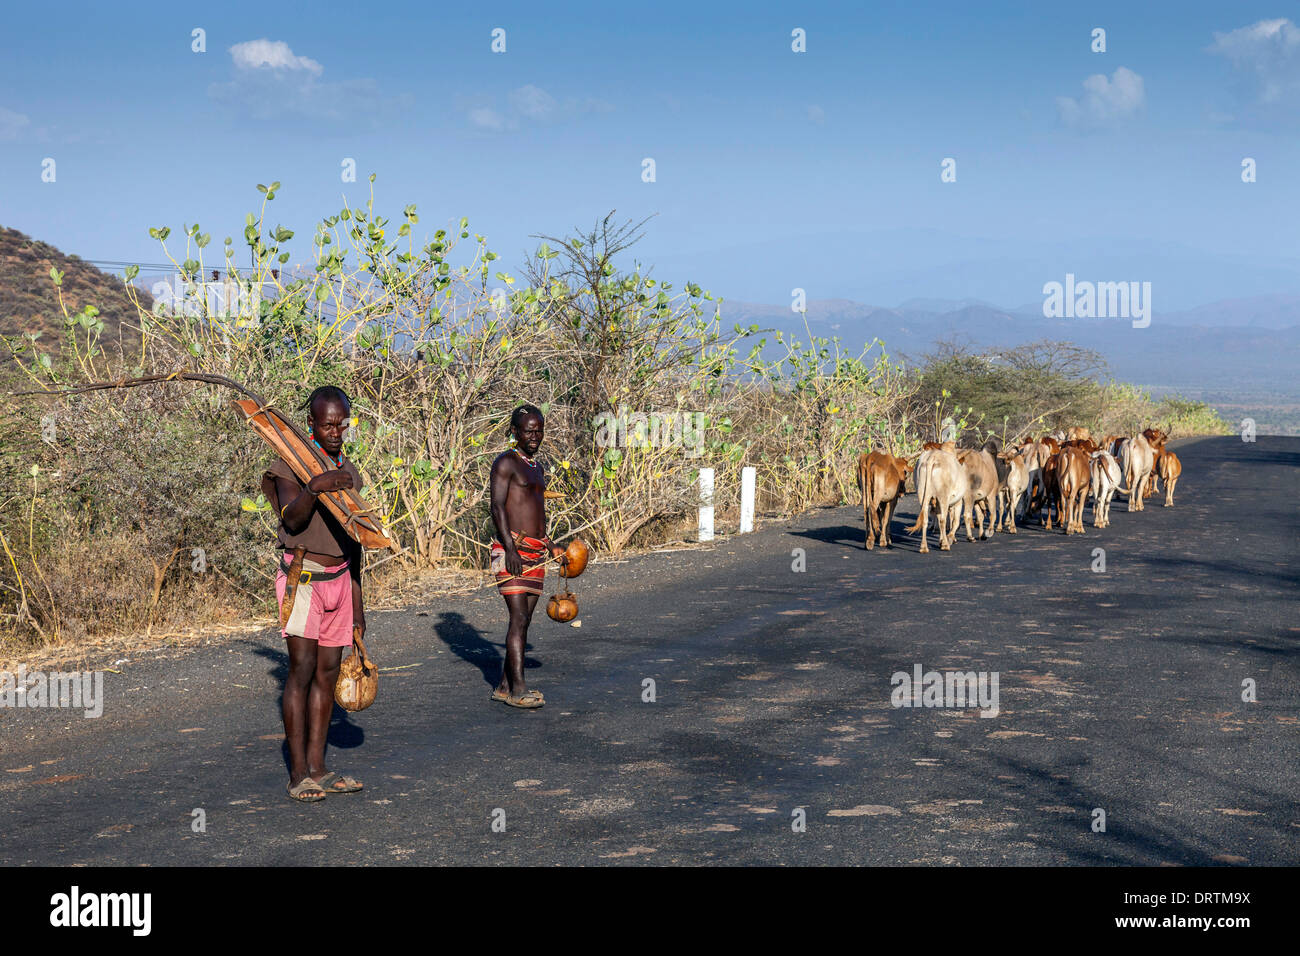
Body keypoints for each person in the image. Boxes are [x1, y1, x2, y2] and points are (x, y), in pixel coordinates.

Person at [263, 385, 367, 802]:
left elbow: (356, 541)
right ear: (310, 425)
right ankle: (298, 774)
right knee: (301, 672)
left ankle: (320, 768)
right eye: (327, 424)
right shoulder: (288, 466)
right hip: (303, 579)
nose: (336, 432)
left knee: (327, 674)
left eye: (342, 424)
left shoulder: (350, 472)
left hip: (340, 581)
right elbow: (291, 519)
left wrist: (358, 604)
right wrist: (316, 485)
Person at [488, 404, 566, 709]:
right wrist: (509, 549)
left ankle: (505, 686)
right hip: (510, 551)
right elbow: (497, 507)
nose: (535, 436)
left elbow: (538, 514)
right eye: (529, 430)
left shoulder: (536, 467)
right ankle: (519, 690)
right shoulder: (505, 463)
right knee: (519, 617)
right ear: (514, 431)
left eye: (539, 430)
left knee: (524, 620)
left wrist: (551, 545)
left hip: (536, 551)